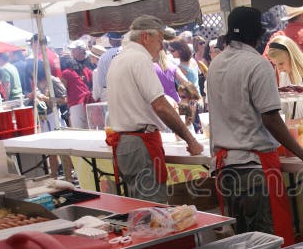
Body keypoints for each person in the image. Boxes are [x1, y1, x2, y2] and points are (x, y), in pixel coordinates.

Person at [208, 6, 303, 245]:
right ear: (257, 35)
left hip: (225, 167)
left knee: (241, 244)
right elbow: (271, 118)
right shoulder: (257, 64)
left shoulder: (216, 64)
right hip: (253, 167)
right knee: (266, 243)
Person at [105, 15, 203, 202]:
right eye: (159, 40)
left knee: (142, 209)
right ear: (145, 37)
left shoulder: (120, 59)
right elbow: (160, 105)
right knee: (154, 212)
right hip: (140, 144)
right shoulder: (139, 59)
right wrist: (190, 140)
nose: (161, 46)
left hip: (127, 143)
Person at [59, 55, 93, 129]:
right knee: (90, 128)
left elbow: (63, 89)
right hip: (87, 100)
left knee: (79, 130)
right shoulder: (82, 69)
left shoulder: (65, 73)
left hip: (76, 103)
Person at [91, 32, 123, 102]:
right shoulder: (130, 51)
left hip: (112, 96)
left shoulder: (104, 57)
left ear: (110, 40)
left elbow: (102, 83)